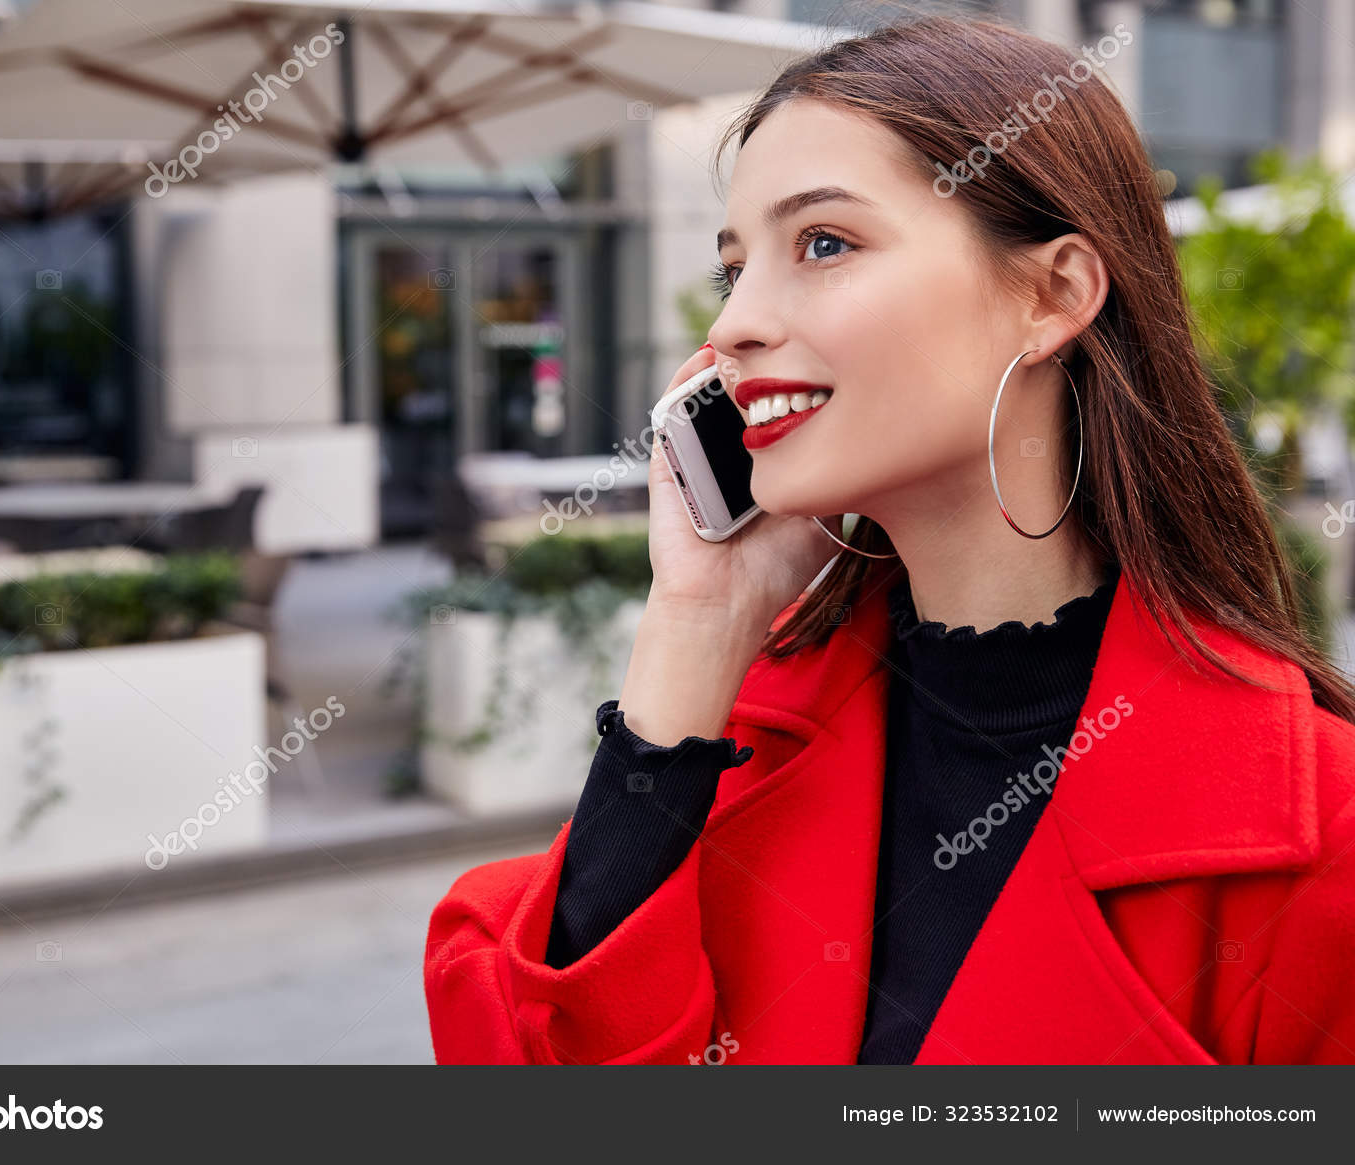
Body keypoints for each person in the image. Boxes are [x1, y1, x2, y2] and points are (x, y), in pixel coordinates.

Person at [423, 14, 1355, 1064]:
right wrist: (697, 619)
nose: (734, 324)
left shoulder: (1316, 836)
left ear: (1052, 296)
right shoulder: (725, 745)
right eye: (736, 269)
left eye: (824, 243)